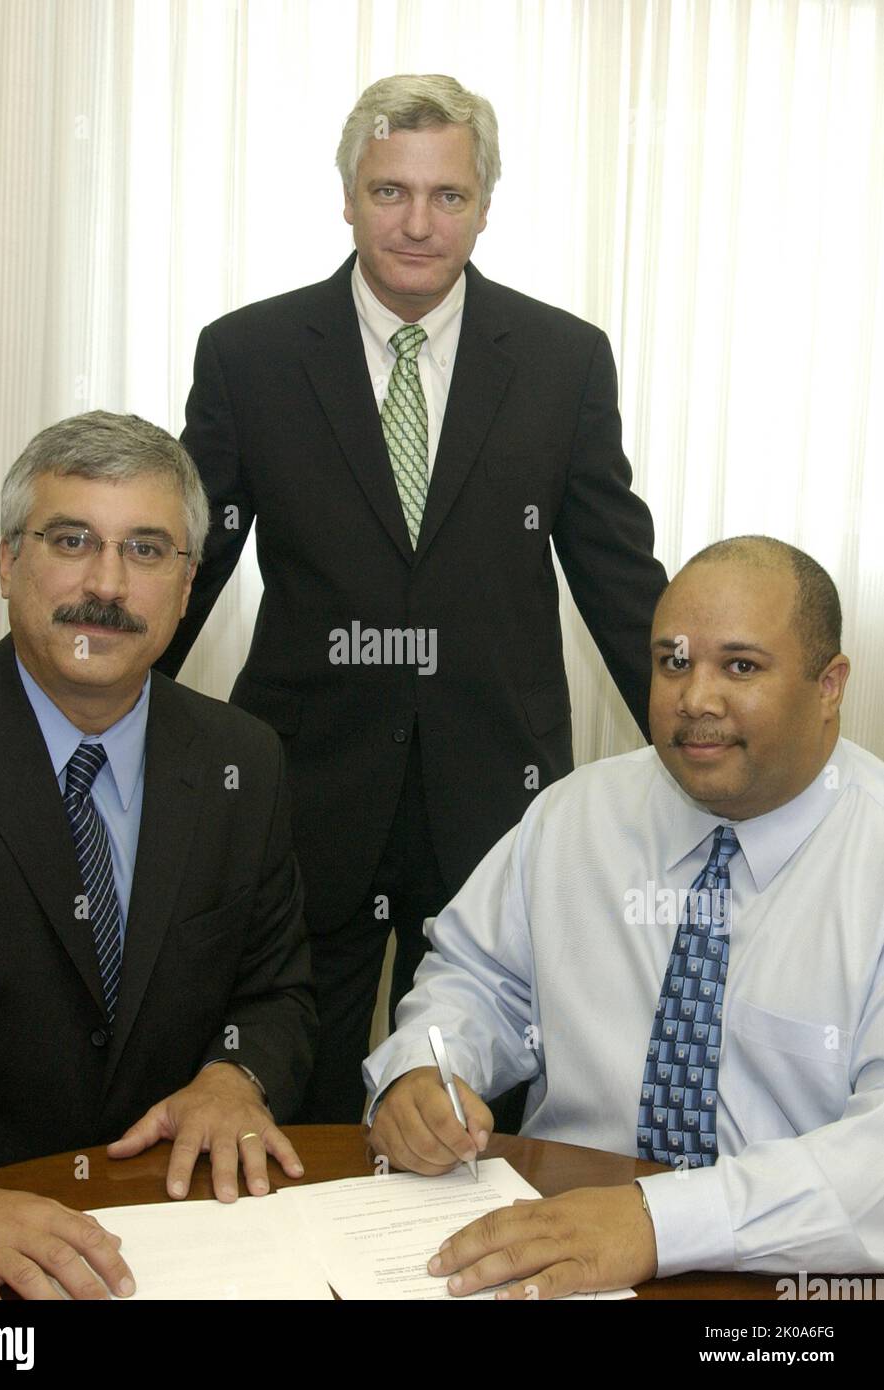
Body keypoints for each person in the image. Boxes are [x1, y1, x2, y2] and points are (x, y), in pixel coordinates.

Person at [156, 73, 668, 1122]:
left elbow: (615, 576)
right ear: (347, 196)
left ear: (484, 205)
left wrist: (698, 715)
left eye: (447, 196)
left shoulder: (563, 361)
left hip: (496, 783)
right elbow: (187, 561)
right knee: (295, 1087)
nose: (418, 223)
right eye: (390, 191)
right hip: (307, 784)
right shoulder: (247, 355)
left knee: (478, 1102)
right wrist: (67, 730)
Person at [365, 536, 884, 1297]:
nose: (694, 699)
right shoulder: (575, 816)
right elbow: (478, 981)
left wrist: (656, 1220)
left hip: (787, 1281)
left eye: (739, 666)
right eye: (673, 662)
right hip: (555, 1240)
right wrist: (423, 1069)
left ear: (828, 684)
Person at [0, 411, 316, 1300]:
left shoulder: (246, 758)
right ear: (8, 561)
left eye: (148, 550)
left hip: (183, 1239)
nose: (108, 583)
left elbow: (277, 989)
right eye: (72, 540)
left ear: (188, 585)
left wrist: (236, 1074)